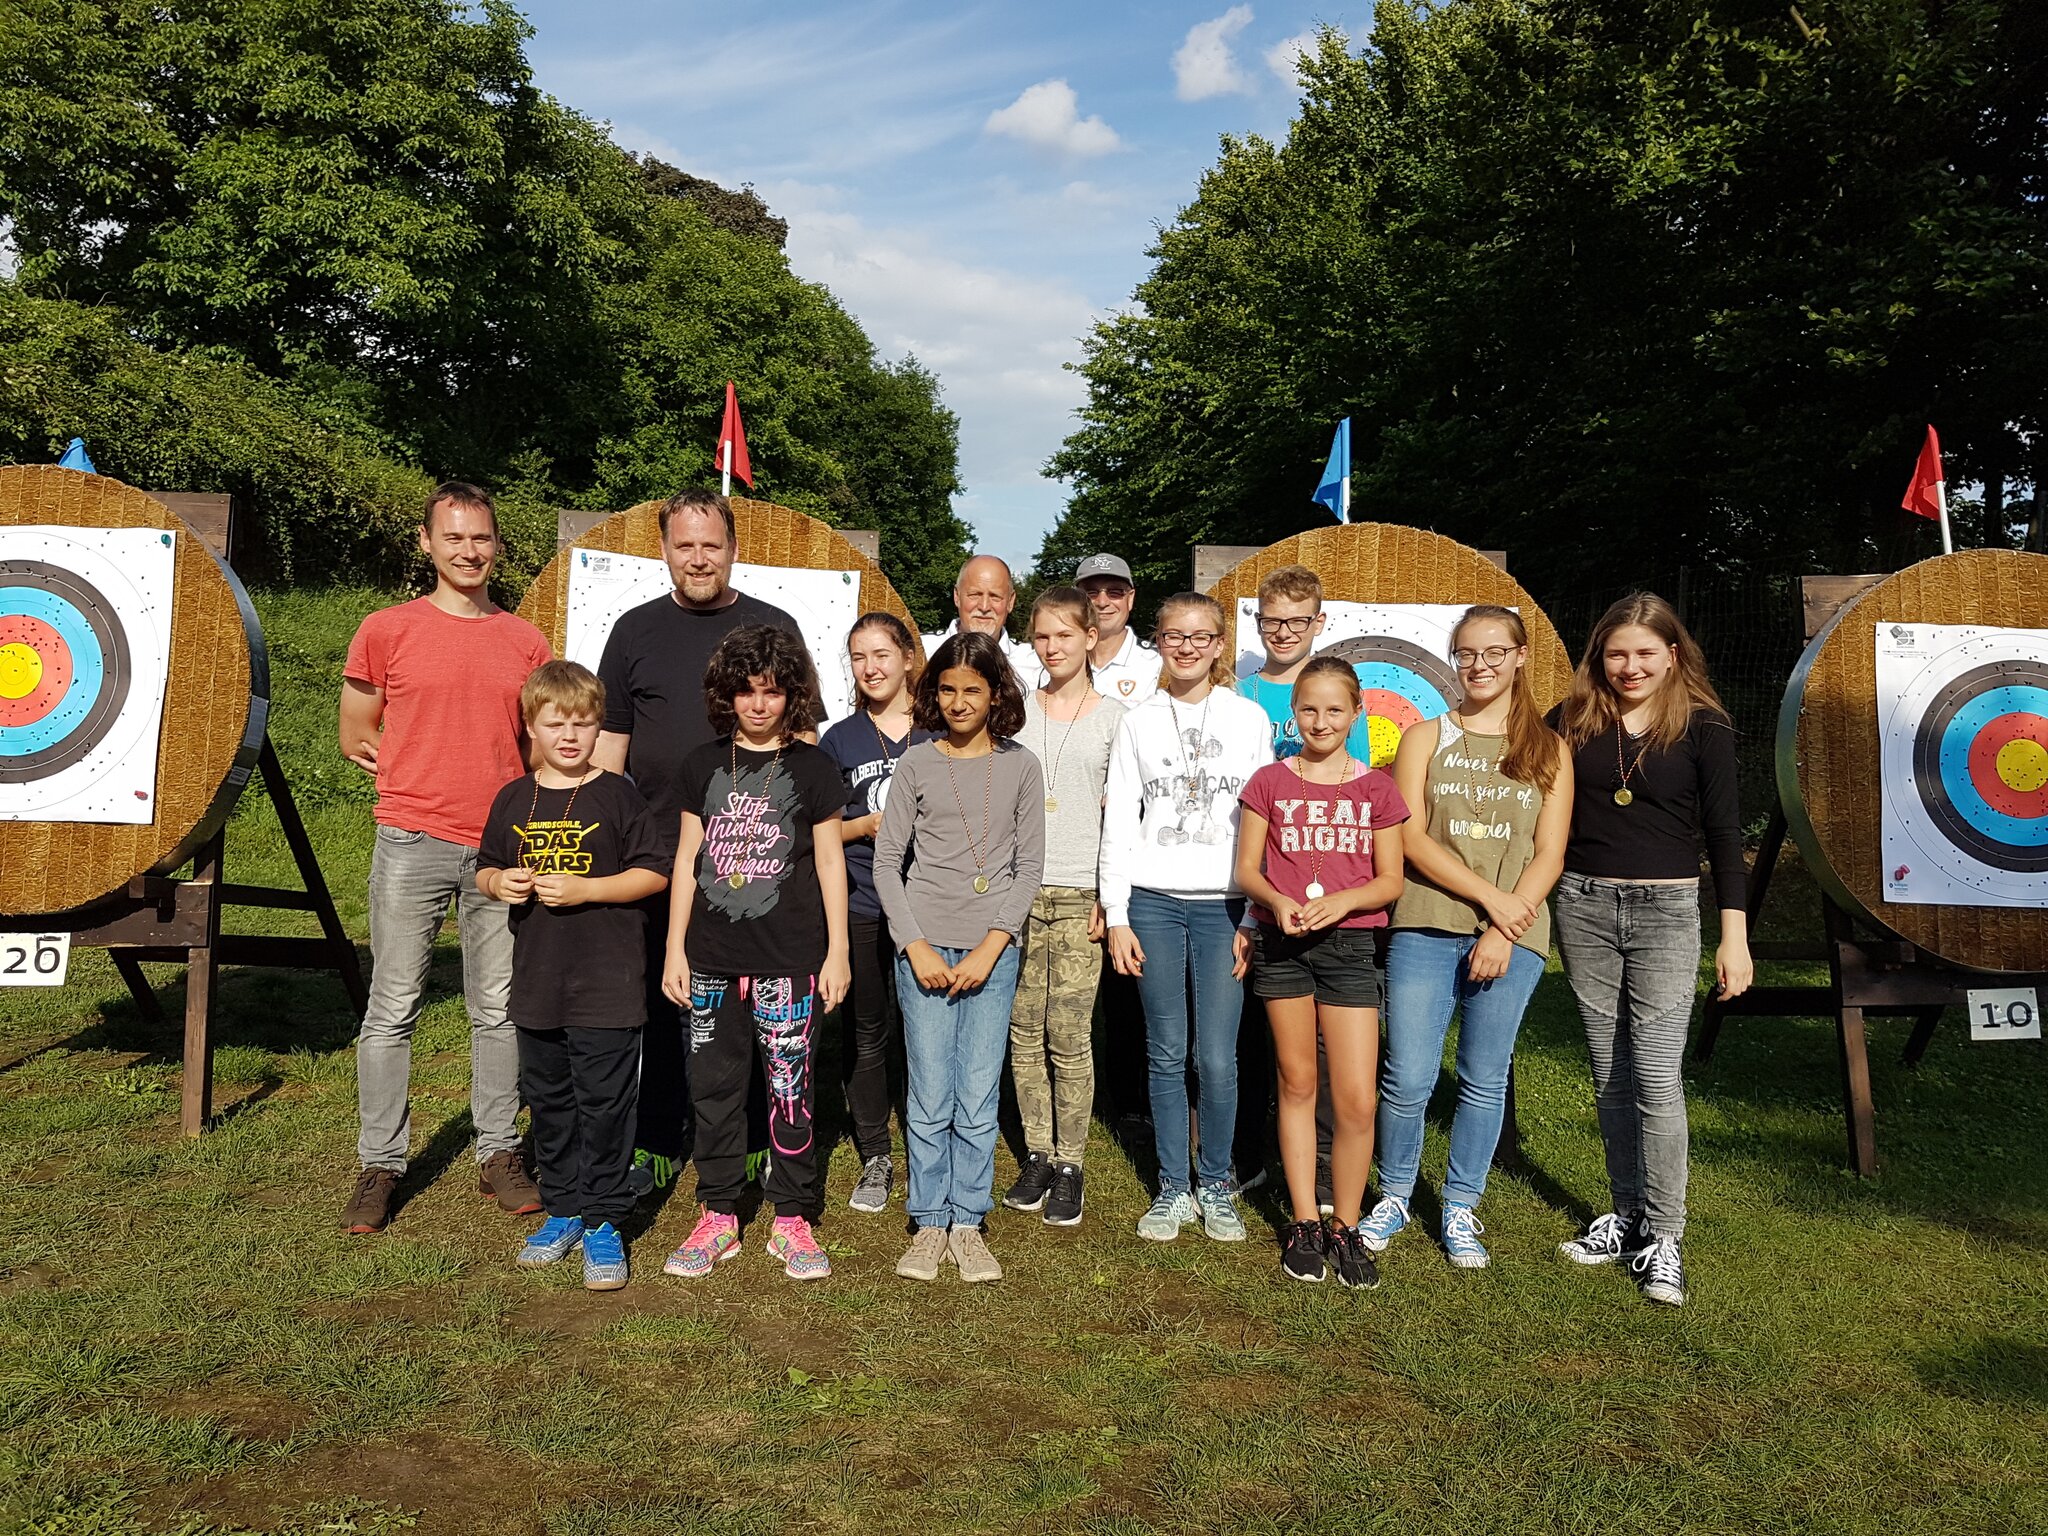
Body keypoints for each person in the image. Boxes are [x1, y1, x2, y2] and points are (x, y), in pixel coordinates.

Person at [338, 481, 552, 1236]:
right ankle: (381, 1163)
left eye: (481, 537)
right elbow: (356, 730)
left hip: (500, 847)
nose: (469, 551)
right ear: (426, 543)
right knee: (392, 1007)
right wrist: (409, 773)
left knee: (497, 1008)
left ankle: (498, 1152)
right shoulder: (386, 630)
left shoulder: (526, 642)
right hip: (411, 840)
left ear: (498, 546)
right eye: (454, 537)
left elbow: (538, 746)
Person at [592, 489, 803, 1190]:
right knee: (660, 998)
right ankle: (656, 1136)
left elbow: (799, 739)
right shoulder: (633, 631)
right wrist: (607, 841)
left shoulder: (772, 626)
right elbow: (610, 750)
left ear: (734, 549)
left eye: (711, 545)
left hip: (751, 853)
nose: (699, 558)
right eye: (685, 545)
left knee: (751, 1000)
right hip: (658, 853)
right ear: (664, 550)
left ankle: (751, 1137)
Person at [1549, 593, 1753, 1308]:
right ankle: (1627, 1214)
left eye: (1644, 653)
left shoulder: (1704, 725)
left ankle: (1666, 1235)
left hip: (1666, 910)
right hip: (1583, 905)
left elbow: (1725, 834)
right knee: (1610, 1073)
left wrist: (1734, 936)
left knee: (1657, 1077)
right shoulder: (1572, 719)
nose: (1630, 667)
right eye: (1617, 654)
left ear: (1673, 653)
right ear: (1598, 656)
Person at [1370, 606, 1572, 1270]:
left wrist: (1504, 927)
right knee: (1407, 1075)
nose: (1478, 666)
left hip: (1514, 934)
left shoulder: (1550, 749)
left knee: (1483, 1078)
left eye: (1493, 653)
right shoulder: (1425, 736)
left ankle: (1460, 1204)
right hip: (1427, 921)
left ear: (1520, 657)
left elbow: (1550, 851)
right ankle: (1395, 1195)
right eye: (1466, 654)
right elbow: (1409, 836)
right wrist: (1491, 901)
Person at [660, 626, 851, 1281]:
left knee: (790, 1090)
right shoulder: (701, 765)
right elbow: (686, 861)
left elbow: (830, 863)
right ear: (728, 695)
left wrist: (838, 952)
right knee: (713, 1089)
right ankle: (718, 1213)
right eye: (746, 692)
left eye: (772, 692)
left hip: (792, 961)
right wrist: (674, 950)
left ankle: (791, 1217)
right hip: (711, 961)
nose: (759, 705)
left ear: (791, 695)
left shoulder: (814, 769)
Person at [477, 662, 670, 1289]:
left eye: (583, 724)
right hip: (538, 982)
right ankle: (562, 1207)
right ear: (531, 726)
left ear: (598, 729)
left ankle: (605, 1219)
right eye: (556, 724)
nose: (569, 736)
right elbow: (485, 866)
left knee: (605, 1105)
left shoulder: (618, 794)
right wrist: (499, 883)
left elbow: (654, 873)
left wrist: (589, 889)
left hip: (608, 983)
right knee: (551, 1102)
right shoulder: (513, 798)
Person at [873, 633, 1044, 1283]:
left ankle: (968, 1220)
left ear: (996, 694)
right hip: (924, 949)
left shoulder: (1021, 766)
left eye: (973, 689)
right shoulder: (917, 763)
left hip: (991, 955)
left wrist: (992, 946)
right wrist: (913, 944)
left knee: (976, 1093)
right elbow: (887, 863)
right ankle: (928, 1221)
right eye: (947, 689)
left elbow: (1028, 867)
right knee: (928, 1093)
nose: (959, 702)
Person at [1101, 592, 1270, 1244]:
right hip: (1154, 901)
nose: (1188, 647)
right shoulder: (1139, 721)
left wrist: (1253, 915)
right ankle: (1174, 1186)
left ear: (1220, 644)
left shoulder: (1248, 718)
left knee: (1218, 1058)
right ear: (1159, 642)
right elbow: (1121, 819)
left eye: (1201, 636)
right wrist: (1117, 913)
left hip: (1225, 905)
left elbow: (1262, 821)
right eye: (1175, 635)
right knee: (1166, 1050)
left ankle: (1216, 1183)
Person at [1235, 657, 1408, 1288]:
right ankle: (1305, 1220)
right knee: (1298, 1081)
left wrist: (1345, 901)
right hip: (1284, 947)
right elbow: (1247, 869)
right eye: (1309, 708)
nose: (1321, 721)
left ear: (1357, 713)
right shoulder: (1268, 782)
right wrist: (1275, 901)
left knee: (1357, 1096)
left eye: (1335, 709)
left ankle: (1346, 1224)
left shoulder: (1377, 790)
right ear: (1293, 713)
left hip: (1351, 949)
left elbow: (1390, 880)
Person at [1003, 587, 1125, 1227]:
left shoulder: (1116, 719)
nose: (1052, 647)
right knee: (1023, 1031)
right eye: (1042, 637)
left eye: (1064, 635)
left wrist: (1111, 897)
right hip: (1021, 891)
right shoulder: (1016, 713)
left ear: (1089, 638)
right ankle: (1038, 1153)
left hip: (1081, 892)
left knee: (1070, 1035)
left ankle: (1072, 1163)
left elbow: (1124, 818)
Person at [819, 612, 933, 1214]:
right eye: (859, 657)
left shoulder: (938, 728)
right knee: (867, 1030)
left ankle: (929, 1143)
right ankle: (874, 1153)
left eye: (882, 654)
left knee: (928, 1030)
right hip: (863, 900)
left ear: (908, 658)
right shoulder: (840, 739)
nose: (871, 668)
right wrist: (863, 825)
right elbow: (819, 830)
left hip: (932, 906)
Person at [1235, 565, 1374, 762]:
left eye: (1297, 622)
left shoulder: (1341, 692)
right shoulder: (1236, 694)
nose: (1283, 634)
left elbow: (1360, 771)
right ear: (1259, 623)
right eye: (1272, 622)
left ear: (1318, 623)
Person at [1027, 553, 1158, 706]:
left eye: (1115, 593)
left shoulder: (1157, 663)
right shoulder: (1039, 662)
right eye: (1091, 593)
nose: (1102, 602)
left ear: (1130, 598)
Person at [922, 554, 1035, 677]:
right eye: (974, 595)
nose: (984, 607)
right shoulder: (922, 651)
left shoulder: (1033, 663)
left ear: (1010, 601)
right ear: (957, 596)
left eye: (995, 597)